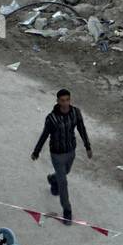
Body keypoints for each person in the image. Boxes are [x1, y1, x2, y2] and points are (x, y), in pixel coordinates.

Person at [30, 89, 92, 223]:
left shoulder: (75, 113)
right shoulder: (51, 118)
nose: (65, 103)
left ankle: (53, 179)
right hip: (57, 154)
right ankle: (67, 210)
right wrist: (36, 151)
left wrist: (87, 146)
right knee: (63, 182)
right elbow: (44, 135)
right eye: (62, 101)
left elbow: (81, 129)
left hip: (70, 151)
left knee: (66, 172)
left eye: (67, 100)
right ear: (57, 101)